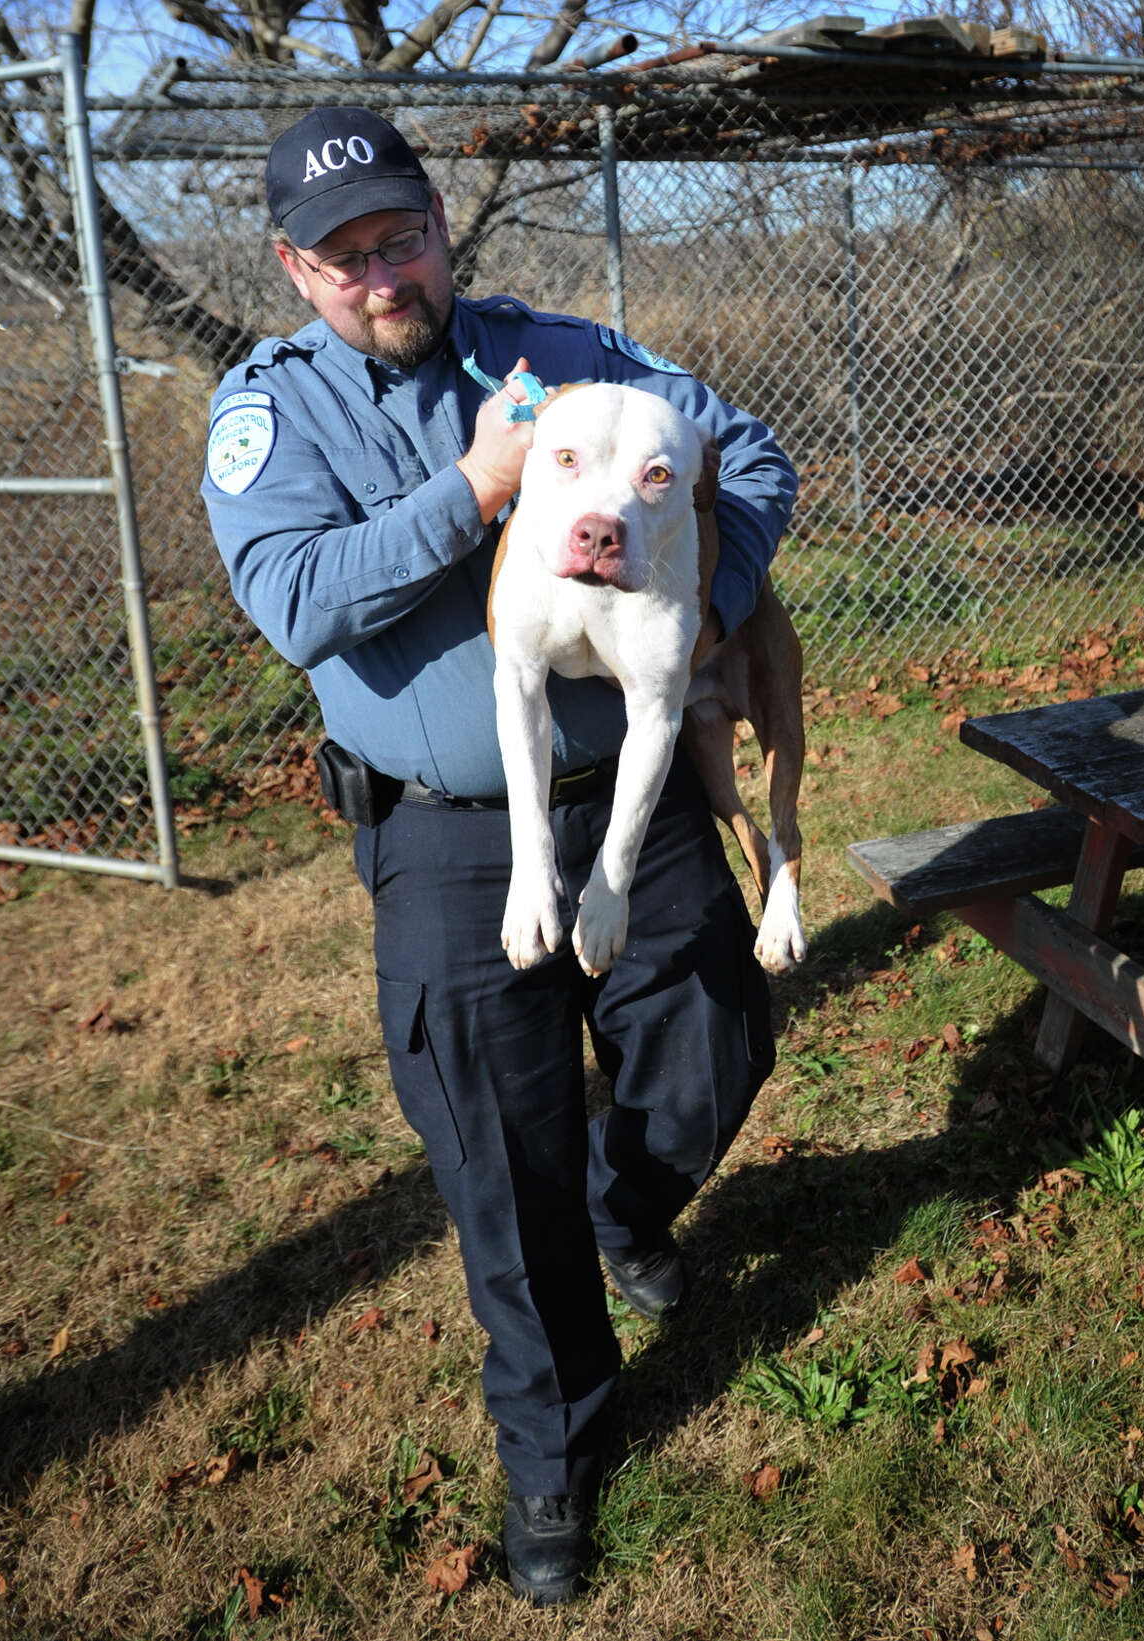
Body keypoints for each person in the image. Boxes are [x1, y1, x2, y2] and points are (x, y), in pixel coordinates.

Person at [202, 105, 798, 1606]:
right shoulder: (273, 414)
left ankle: (630, 1206)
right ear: (295, 271)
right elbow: (290, 598)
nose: (383, 271)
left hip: (634, 795)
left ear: (442, 225)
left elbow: (753, 453)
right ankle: (555, 1448)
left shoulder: (558, 351)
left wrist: (705, 595)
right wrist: (473, 490)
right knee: (498, 1151)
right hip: (447, 841)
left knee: (719, 1035)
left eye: (401, 235)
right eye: (345, 256)